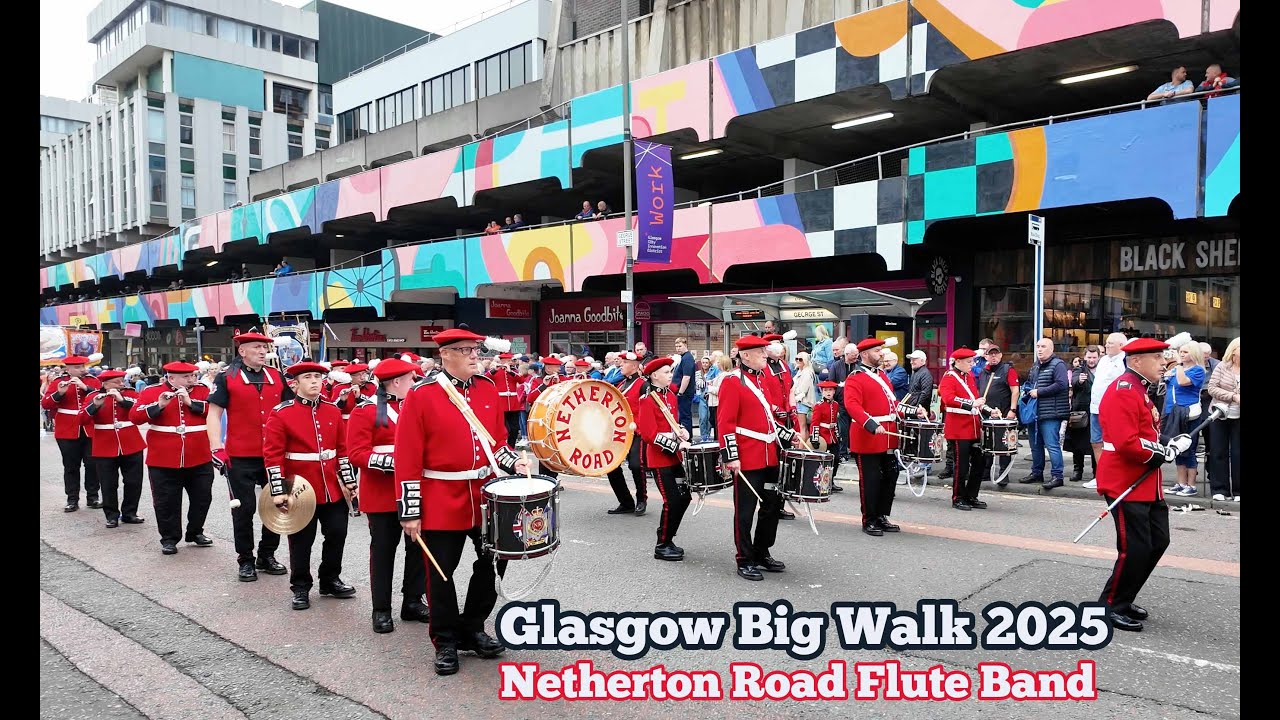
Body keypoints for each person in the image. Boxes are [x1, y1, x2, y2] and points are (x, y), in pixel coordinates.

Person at [393, 328, 530, 676]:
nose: (474, 355)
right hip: (440, 496)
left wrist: (516, 461)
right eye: (465, 350)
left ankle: (472, 627)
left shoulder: (487, 389)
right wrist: (410, 512)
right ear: (445, 355)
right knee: (441, 574)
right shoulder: (422, 395)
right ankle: (446, 640)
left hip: (484, 494)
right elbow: (407, 456)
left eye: (476, 349)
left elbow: (496, 442)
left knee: (494, 563)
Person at [1095, 337, 1191, 632]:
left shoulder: (1140, 390)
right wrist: (1164, 452)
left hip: (1145, 481)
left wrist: (1168, 442)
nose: (1164, 363)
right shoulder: (1124, 390)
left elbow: (1146, 430)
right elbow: (1126, 443)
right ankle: (1109, 605)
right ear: (1136, 361)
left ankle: (1125, 596)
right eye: (1157, 358)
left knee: (1157, 542)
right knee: (1134, 547)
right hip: (1126, 479)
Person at [264, 362, 358, 611]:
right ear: (295, 384)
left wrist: (349, 481)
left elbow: (342, 450)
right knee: (301, 540)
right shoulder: (281, 413)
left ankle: (329, 579)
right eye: (308, 377)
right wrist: (278, 490)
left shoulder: (332, 410)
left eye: (318, 376)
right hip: (299, 486)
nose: (316, 381)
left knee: (337, 533)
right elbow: (273, 456)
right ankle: (301, 587)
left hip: (331, 486)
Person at [347, 358, 430, 634]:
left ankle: (412, 600)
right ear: (396, 382)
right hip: (382, 493)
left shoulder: (416, 407)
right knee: (383, 552)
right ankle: (381, 609)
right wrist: (396, 462)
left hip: (415, 490)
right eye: (411, 379)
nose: (415, 383)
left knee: (417, 549)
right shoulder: (365, 411)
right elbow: (357, 454)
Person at [208, 332, 292, 582]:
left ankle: (267, 555)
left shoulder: (276, 377)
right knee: (243, 510)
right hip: (240, 455)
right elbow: (213, 414)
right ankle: (245, 559)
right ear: (242, 351)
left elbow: (290, 412)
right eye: (257, 347)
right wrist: (216, 448)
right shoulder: (226, 378)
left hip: (273, 455)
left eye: (264, 347)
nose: (263, 351)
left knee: (277, 506)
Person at [718, 335, 798, 582]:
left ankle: (762, 551)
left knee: (771, 507)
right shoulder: (732, 381)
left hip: (769, 454)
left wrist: (787, 435)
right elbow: (725, 423)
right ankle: (744, 558)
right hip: (747, 457)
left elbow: (768, 420)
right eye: (761, 352)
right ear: (745, 355)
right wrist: (731, 456)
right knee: (745, 511)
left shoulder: (764, 379)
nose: (766, 355)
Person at [131, 362, 214, 555]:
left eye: (193, 376)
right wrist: (159, 405)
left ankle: (195, 532)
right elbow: (135, 416)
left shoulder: (202, 390)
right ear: (171, 378)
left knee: (202, 498)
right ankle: (169, 538)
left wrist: (190, 403)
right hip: (163, 458)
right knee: (166, 500)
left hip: (199, 455)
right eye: (186, 377)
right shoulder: (153, 391)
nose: (192, 379)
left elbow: (215, 411)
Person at [845, 338, 906, 532]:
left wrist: (912, 412)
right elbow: (852, 405)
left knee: (890, 476)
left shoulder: (883, 375)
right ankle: (869, 519)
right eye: (877, 350)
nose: (881, 354)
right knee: (870, 480)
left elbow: (893, 404)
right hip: (868, 436)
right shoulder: (855, 377)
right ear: (865, 354)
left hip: (888, 436)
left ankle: (881, 515)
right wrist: (871, 423)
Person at [638, 357, 693, 561]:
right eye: (667, 372)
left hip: (674, 456)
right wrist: (676, 442)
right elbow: (649, 435)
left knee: (685, 497)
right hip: (660, 458)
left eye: (671, 371)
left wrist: (683, 432)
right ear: (654, 376)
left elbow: (674, 424)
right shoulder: (648, 399)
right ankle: (662, 543)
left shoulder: (670, 395)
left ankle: (668, 535)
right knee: (671, 501)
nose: (671, 375)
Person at [83, 369, 146, 528]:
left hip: (130, 442)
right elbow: (81, 419)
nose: (121, 384)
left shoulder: (130, 394)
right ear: (105, 384)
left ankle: (130, 513)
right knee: (108, 483)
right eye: (116, 382)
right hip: (105, 444)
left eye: (121, 381)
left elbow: (140, 412)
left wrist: (122, 400)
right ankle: (111, 515)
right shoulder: (92, 397)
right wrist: (95, 405)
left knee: (133, 481)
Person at [42, 355, 103, 512]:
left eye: (83, 366)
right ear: (67, 369)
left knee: (92, 464)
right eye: (77, 367)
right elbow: (46, 403)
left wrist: (84, 387)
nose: (82, 369)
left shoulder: (92, 381)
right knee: (70, 466)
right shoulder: (57, 382)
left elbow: (101, 397)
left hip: (89, 428)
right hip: (67, 429)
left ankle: (93, 497)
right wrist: (59, 393)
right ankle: (72, 499)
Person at [939, 348, 993, 511]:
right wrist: (971, 404)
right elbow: (948, 398)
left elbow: (975, 400)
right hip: (958, 428)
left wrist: (989, 410)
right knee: (961, 465)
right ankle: (958, 497)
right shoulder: (949, 377)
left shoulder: (969, 376)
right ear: (959, 362)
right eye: (969, 362)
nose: (972, 364)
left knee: (979, 463)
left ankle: (971, 495)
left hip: (973, 427)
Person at [1018, 338, 1069, 490]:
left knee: (1052, 445)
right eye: (1038, 346)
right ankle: (1036, 473)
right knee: (1035, 445)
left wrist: (1039, 392)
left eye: (1043, 347)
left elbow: (1062, 384)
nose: (1039, 349)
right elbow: (1031, 383)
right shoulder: (1035, 366)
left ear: (1051, 349)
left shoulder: (1058, 364)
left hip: (1052, 412)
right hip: (1035, 412)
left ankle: (1057, 476)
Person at [605, 352, 649, 515]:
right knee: (611, 466)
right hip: (620, 433)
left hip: (637, 432)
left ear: (635, 366)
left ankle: (641, 499)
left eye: (625, 362)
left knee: (637, 466)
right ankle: (625, 501)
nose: (621, 364)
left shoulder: (643, 384)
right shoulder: (622, 384)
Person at [1163, 341, 1206, 497]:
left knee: (1189, 448)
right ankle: (1180, 483)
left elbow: (1182, 382)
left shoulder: (1198, 371)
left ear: (1194, 354)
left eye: (1186, 352)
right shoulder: (1177, 369)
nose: (1182, 354)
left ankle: (1191, 485)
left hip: (1188, 413)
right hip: (1173, 412)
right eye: (1181, 351)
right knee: (1177, 448)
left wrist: (1178, 366)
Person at [1087, 333, 1128, 490]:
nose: (1107, 345)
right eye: (1107, 342)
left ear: (1121, 346)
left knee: (1112, 443)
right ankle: (1101, 476)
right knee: (1096, 442)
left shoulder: (1125, 361)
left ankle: (1116, 476)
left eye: (1111, 343)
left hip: (1113, 409)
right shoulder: (1103, 360)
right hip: (1095, 406)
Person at [975, 345, 1019, 486]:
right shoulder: (983, 372)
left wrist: (1012, 410)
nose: (993, 357)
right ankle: (986, 472)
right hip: (986, 413)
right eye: (990, 354)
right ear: (986, 357)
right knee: (986, 444)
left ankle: (1003, 474)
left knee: (1004, 445)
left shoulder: (1008, 370)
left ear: (1000, 355)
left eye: (996, 354)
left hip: (1003, 413)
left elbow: (1015, 391)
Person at [1205, 337, 1240, 502]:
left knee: (1238, 453)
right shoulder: (1222, 366)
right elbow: (1211, 388)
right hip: (1219, 414)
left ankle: (1239, 491)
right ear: (1234, 351)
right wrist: (1233, 396)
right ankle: (1220, 489)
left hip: (1239, 416)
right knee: (1218, 451)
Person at [1068, 347, 1099, 482]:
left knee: (1096, 442)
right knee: (1078, 443)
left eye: (1094, 357)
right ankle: (1077, 470)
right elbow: (1073, 383)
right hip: (1081, 411)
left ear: (1098, 357)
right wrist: (1079, 381)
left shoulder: (1104, 370)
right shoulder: (1079, 369)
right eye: (1089, 357)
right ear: (1085, 357)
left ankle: (1097, 472)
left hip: (1098, 410)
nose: (1091, 360)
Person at [830, 343, 858, 463]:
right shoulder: (836, 366)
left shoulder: (859, 365)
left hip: (856, 402)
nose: (856, 356)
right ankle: (842, 452)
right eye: (854, 355)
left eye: (857, 354)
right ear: (846, 354)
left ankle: (854, 450)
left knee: (855, 427)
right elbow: (831, 382)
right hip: (841, 402)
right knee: (843, 429)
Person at [489, 353, 524, 443]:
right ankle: (503, 445)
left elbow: (521, 380)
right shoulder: (496, 371)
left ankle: (511, 446)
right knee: (504, 428)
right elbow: (486, 378)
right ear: (502, 361)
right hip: (501, 403)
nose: (510, 362)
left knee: (514, 428)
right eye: (507, 361)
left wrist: (511, 372)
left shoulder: (513, 372)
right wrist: (493, 370)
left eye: (510, 361)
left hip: (513, 404)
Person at [672, 338, 697, 436]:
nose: (678, 348)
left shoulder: (687, 358)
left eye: (680, 346)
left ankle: (688, 438)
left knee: (685, 416)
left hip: (684, 393)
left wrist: (680, 392)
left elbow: (686, 377)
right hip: (682, 391)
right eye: (676, 346)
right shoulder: (683, 358)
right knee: (683, 416)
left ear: (685, 345)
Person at [698, 355, 719, 441]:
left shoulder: (713, 371)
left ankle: (708, 435)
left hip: (710, 396)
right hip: (702, 397)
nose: (705, 364)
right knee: (703, 418)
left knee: (709, 418)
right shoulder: (698, 373)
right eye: (703, 362)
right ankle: (703, 436)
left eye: (706, 362)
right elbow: (698, 385)